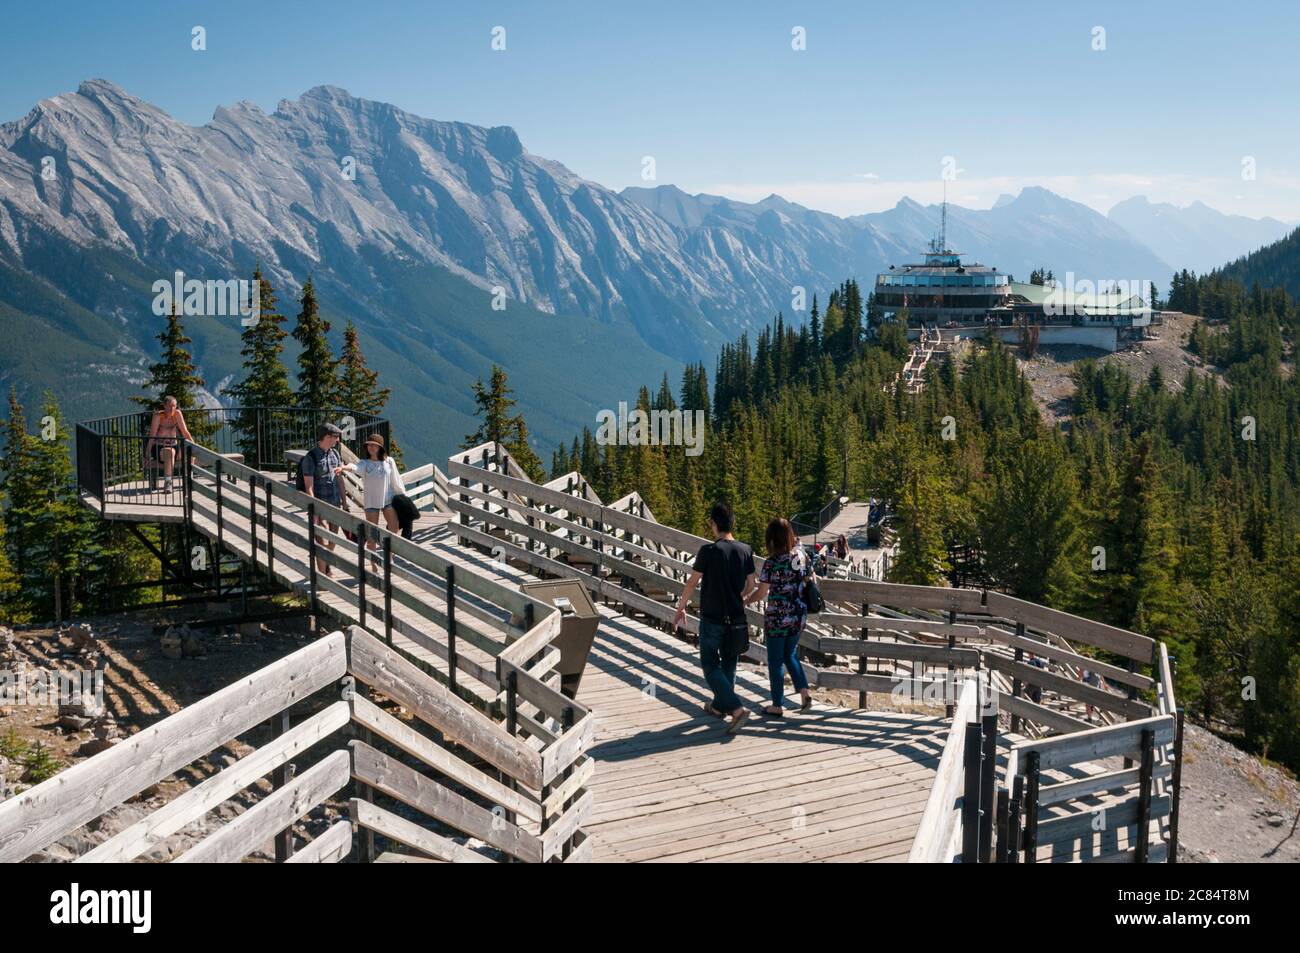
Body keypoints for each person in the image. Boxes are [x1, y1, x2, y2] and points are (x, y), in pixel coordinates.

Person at [673, 502, 755, 735]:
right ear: (732, 524)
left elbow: (692, 583)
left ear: (715, 525)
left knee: (710, 665)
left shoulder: (708, 552)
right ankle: (720, 707)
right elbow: (751, 584)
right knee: (729, 663)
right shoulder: (745, 550)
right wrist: (740, 597)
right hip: (736, 618)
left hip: (713, 618)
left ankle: (737, 709)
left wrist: (681, 608)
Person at [744, 517, 812, 717]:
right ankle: (805, 693)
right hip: (798, 615)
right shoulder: (799, 557)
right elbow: (811, 578)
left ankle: (777, 705)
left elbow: (762, 592)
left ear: (771, 539)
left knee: (775, 660)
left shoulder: (771, 563)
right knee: (790, 655)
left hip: (777, 618)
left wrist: (745, 601)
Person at [338, 433, 405, 570]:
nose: (371, 448)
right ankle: (374, 565)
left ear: (380, 447)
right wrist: (344, 467)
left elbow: (396, 480)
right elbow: (355, 467)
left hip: (388, 500)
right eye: (369, 445)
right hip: (371, 503)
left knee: (394, 528)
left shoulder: (389, 461)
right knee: (371, 535)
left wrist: (403, 497)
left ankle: (390, 557)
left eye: (374, 445)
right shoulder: (365, 464)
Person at [301, 422, 343, 576]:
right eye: (335, 437)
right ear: (326, 437)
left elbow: (339, 480)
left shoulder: (335, 454)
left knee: (332, 541)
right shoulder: (311, 457)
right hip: (320, 505)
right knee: (321, 541)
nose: (337, 440)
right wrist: (314, 510)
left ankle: (325, 565)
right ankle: (323, 575)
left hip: (335, 503)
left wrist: (344, 502)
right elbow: (308, 486)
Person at [145, 396, 193, 492]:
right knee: (169, 451)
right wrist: (146, 455)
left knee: (189, 455)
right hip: (159, 447)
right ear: (164, 406)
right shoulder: (158, 416)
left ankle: (189, 481)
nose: (172, 409)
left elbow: (185, 432)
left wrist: (195, 447)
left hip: (173, 446)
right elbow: (152, 436)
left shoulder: (177, 414)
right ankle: (168, 482)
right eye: (170, 406)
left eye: (174, 406)